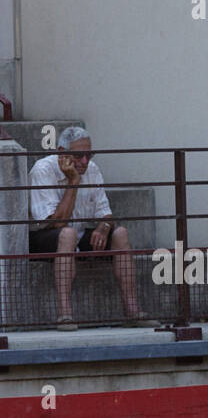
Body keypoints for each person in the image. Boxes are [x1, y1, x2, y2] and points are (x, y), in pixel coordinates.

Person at [27, 126, 156, 331]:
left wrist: (103, 228)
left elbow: (106, 214)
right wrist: (74, 182)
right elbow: (57, 222)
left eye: (89, 154)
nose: (85, 161)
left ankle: (132, 311)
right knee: (67, 233)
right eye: (79, 156)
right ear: (62, 153)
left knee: (120, 233)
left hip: (75, 234)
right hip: (43, 237)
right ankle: (65, 314)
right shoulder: (43, 170)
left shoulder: (92, 169)